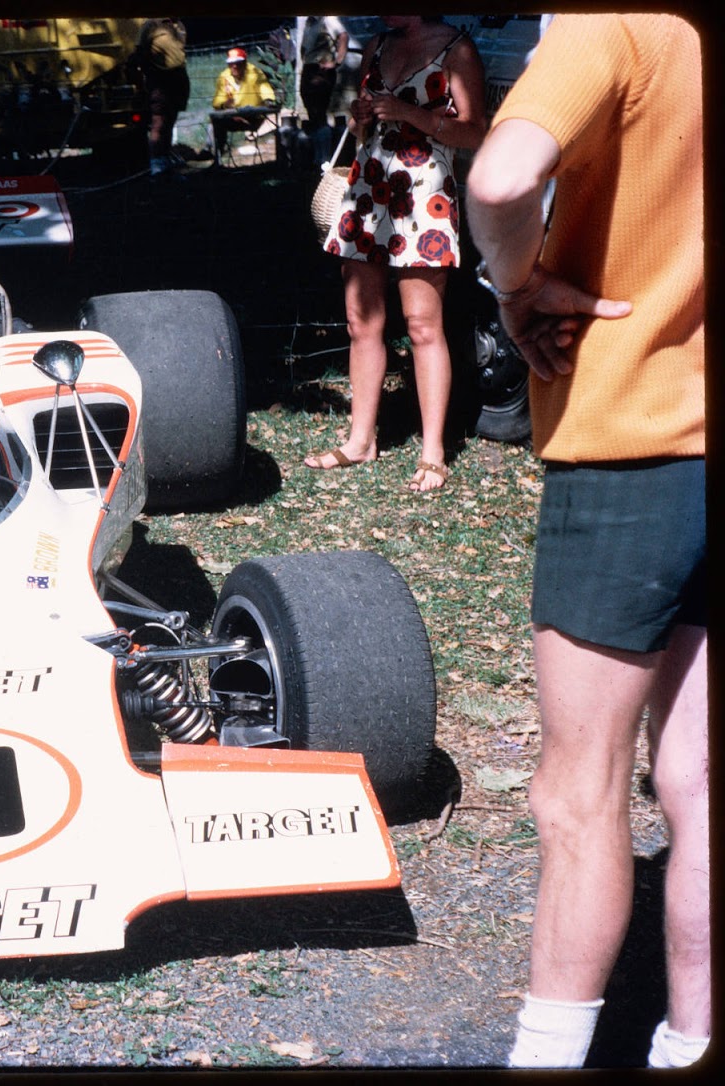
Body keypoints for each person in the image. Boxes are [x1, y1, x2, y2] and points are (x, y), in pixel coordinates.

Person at [465, 14, 707, 1069]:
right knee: (700, 780)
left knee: (578, 788)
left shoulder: (618, 23)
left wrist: (512, 282)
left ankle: (546, 1058)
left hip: (635, 450)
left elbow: (502, 178)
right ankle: (688, 1041)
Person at [307, 16, 484, 493]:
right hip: (368, 189)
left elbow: (475, 132)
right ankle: (361, 440)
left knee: (424, 325)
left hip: (423, 192)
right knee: (361, 322)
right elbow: (361, 125)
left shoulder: (457, 50)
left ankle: (433, 455)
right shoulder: (379, 46)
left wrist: (410, 115)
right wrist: (361, 119)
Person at [126, 18, 190, 179]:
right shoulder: (150, 25)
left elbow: (178, 51)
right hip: (159, 79)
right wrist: (142, 79)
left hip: (178, 77)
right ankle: (156, 166)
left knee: (170, 121)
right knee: (159, 122)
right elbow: (138, 55)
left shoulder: (177, 24)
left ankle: (166, 162)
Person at [208, 47, 276, 164]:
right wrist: (224, 104)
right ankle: (216, 158)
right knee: (216, 123)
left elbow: (264, 88)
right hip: (233, 118)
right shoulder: (223, 76)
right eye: (231, 64)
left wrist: (269, 100)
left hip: (255, 118)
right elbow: (217, 101)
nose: (234, 66)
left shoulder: (255, 73)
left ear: (244, 63)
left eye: (238, 63)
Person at [297, 16, 350, 165]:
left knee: (318, 111)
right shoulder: (309, 22)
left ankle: (325, 158)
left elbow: (343, 36)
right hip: (309, 67)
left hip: (321, 69)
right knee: (312, 113)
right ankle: (319, 157)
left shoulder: (328, 19)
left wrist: (337, 61)